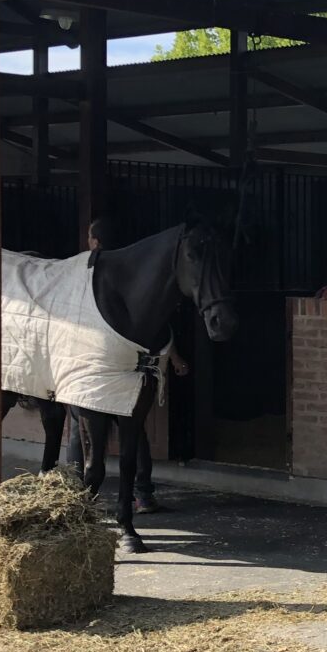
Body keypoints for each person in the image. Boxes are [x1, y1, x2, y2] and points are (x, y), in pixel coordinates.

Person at [65, 218, 188, 512]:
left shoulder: (89, 272)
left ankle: (72, 492)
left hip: (93, 368)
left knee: (76, 428)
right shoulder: (135, 273)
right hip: (132, 368)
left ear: (94, 242)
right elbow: (155, 321)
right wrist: (174, 356)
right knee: (135, 431)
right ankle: (143, 493)